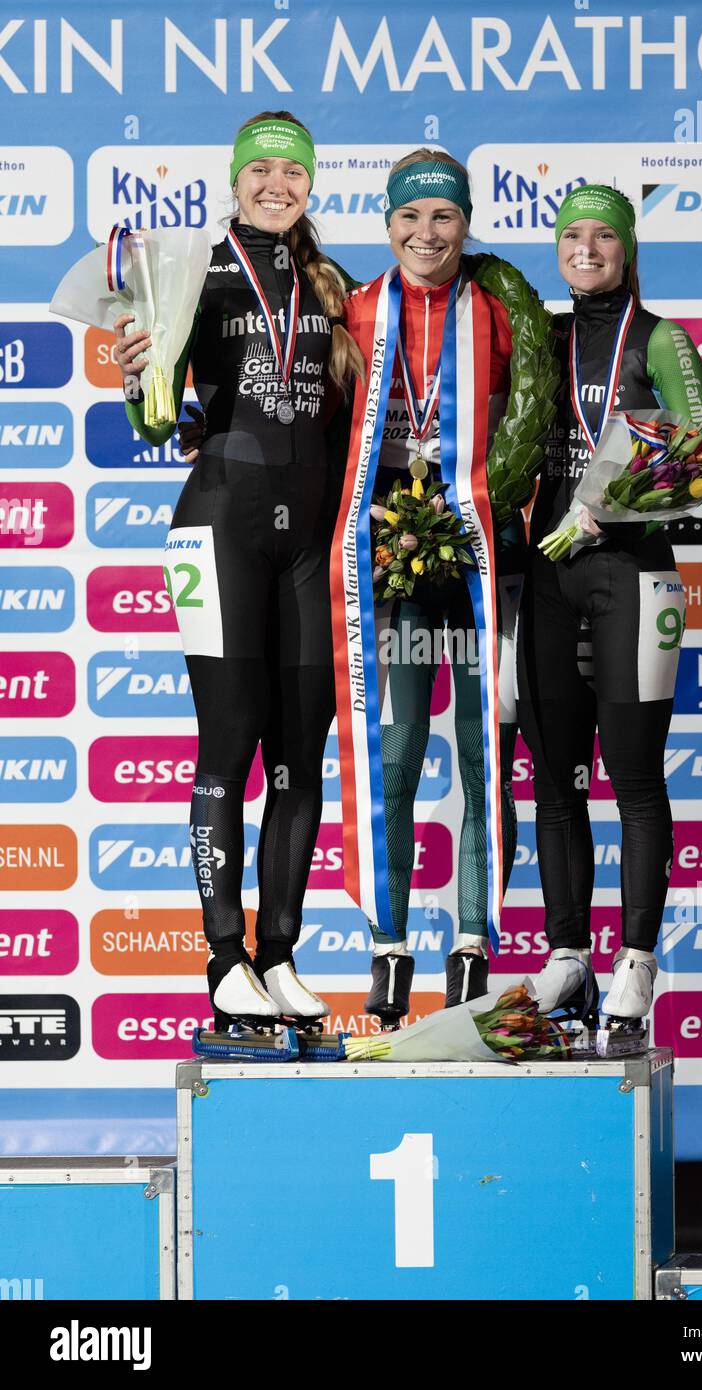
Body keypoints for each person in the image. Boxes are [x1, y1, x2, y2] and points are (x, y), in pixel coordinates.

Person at [114, 111, 363, 1030]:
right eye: (259, 169)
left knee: (303, 755)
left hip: (310, 542)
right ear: (233, 177)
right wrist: (135, 373)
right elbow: (150, 419)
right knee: (230, 741)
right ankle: (224, 956)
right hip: (218, 525)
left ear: (308, 184)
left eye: (290, 172)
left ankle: (281, 953)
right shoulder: (189, 268)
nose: (275, 183)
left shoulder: (327, 281)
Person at [331, 149, 553, 1025]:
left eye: (445, 217)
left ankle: (471, 942)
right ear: (388, 225)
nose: (428, 234)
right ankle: (387, 944)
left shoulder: (499, 313)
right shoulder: (355, 311)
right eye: (411, 218)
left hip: (481, 565)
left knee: (482, 753)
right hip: (393, 563)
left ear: (466, 224)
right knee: (395, 754)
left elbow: (537, 421)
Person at [517, 184, 702, 1049]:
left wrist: (621, 505)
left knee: (633, 777)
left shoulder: (660, 338)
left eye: (605, 235)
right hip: (547, 575)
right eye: (573, 235)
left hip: (632, 574)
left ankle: (637, 961)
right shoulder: (549, 338)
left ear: (627, 246)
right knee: (556, 777)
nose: (588, 249)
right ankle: (569, 953)